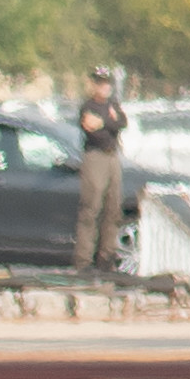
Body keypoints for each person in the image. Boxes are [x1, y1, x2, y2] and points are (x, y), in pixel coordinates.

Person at [74, 67, 131, 272]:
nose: (104, 87)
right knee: (91, 207)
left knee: (113, 208)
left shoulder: (112, 104)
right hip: (95, 157)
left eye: (107, 83)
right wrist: (110, 122)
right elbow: (92, 129)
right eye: (100, 83)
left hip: (112, 157)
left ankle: (106, 256)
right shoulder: (88, 106)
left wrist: (105, 122)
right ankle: (83, 260)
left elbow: (122, 122)